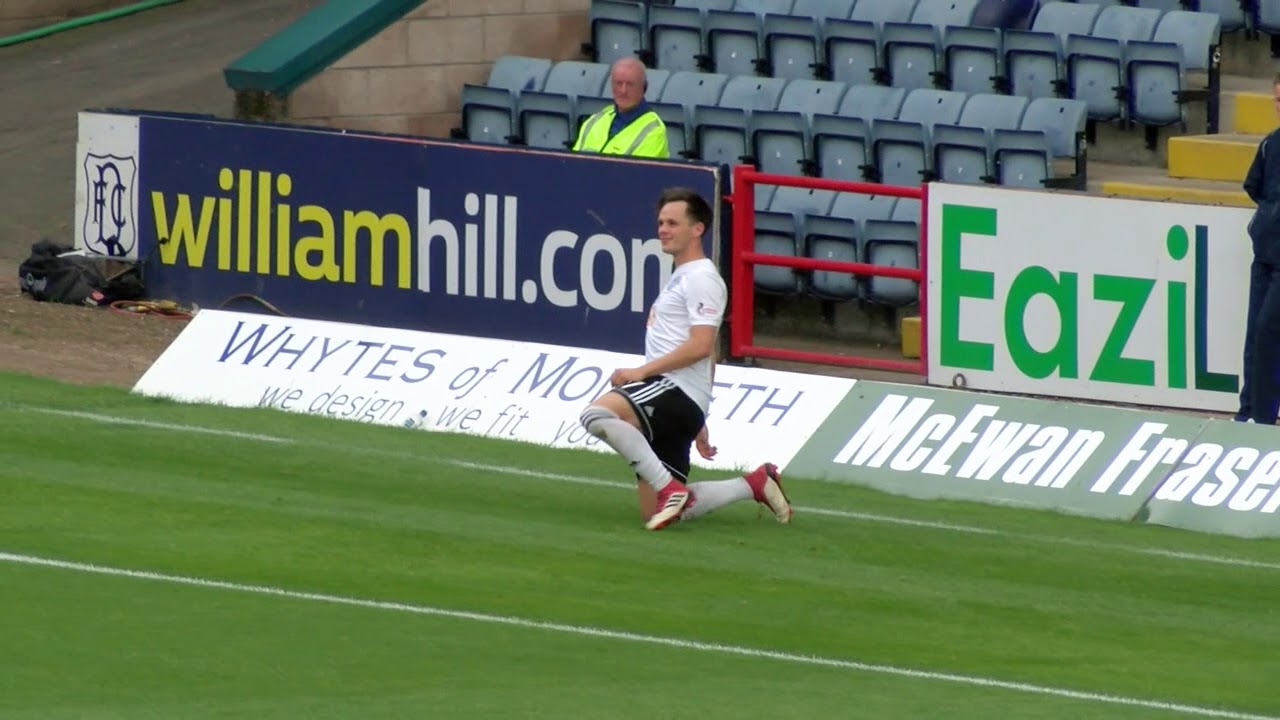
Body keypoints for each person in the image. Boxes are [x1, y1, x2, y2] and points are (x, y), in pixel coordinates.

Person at [578, 187, 792, 531]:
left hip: (670, 387)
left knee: (595, 414)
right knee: (654, 514)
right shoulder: (683, 277)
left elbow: (700, 345)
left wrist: (641, 372)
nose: (663, 229)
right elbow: (708, 350)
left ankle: (669, 488)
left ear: (698, 229)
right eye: (661, 222)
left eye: (673, 223)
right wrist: (700, 412)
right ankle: (753, 484)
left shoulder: (702, 278)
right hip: (681, 397)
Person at [1236, 74, 1280, 425]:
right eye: (1277, 100)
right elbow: (1255, 186)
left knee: (1268, 331)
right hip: (1265, 252)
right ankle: (1249, 410)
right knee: (1254, 331)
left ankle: (1264, 417)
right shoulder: (1271, 143)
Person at [571, 56, 669, 159]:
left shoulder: (653, 131)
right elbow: (573, 162)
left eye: (630, 84)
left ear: (644, 87)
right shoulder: (595, 121)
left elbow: (639, 174)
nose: (623, 91)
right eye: (618, 83)